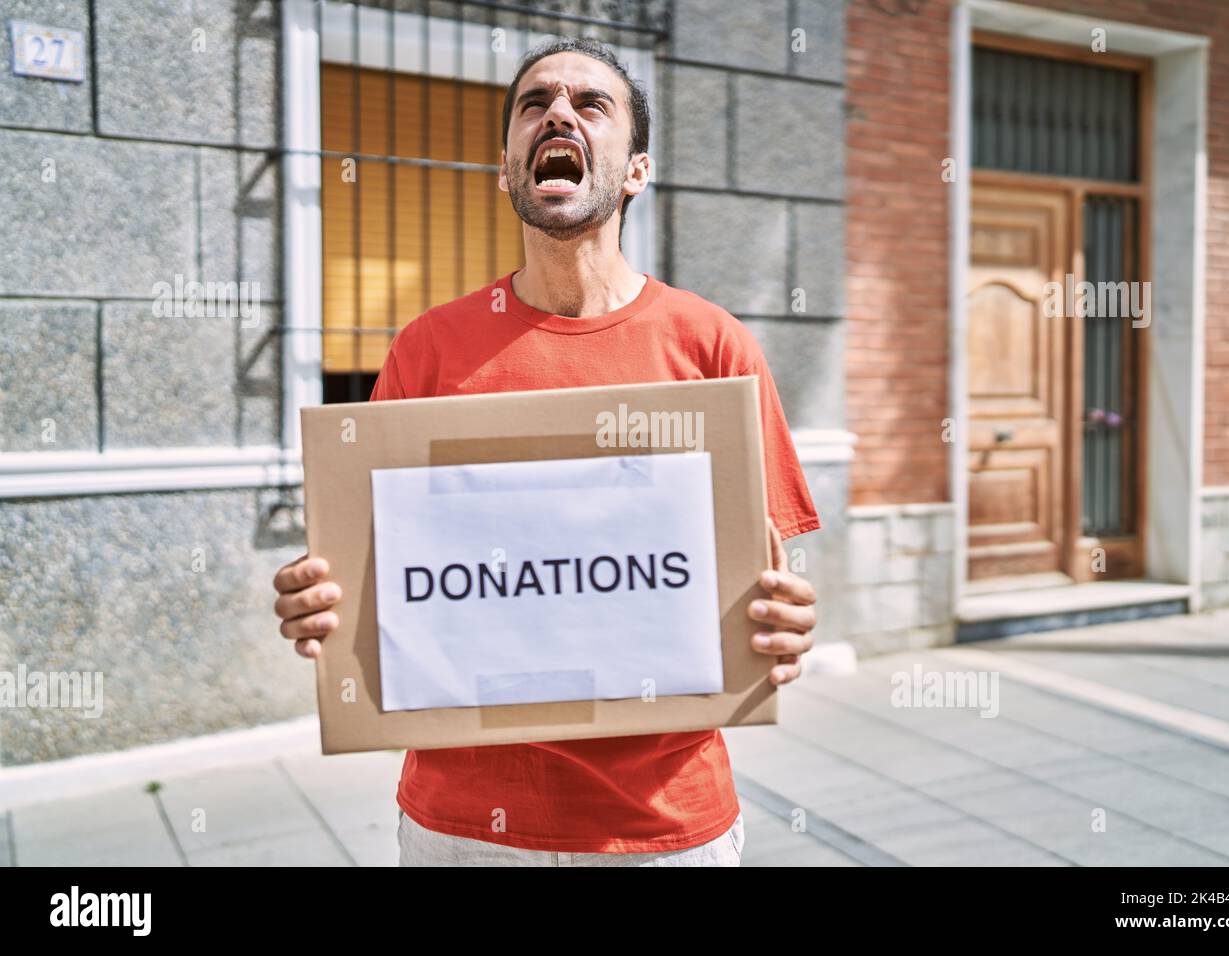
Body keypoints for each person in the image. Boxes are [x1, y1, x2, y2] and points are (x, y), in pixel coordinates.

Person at [273, 36, 820, 867]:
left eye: (591, 104)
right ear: (506, 169)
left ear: (636, 169)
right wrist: (325, 604)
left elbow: (776, 572)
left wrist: (786, 620)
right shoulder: (428, 349)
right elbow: (371, 571)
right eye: (535, 104)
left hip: (665, 827)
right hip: (462, 827)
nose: (558, 112)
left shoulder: (713, 346)